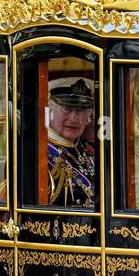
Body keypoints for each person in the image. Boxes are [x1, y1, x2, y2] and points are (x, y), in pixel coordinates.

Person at [46, 75, 98, 209]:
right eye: (67, 108)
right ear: (50, 109)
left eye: (81, 110)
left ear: (89, 116)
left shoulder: (92, 149)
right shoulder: (40, 155)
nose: (74, 117)